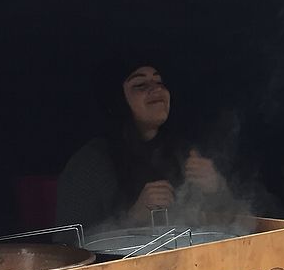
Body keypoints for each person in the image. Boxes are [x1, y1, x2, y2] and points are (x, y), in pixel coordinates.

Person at [55, 56, 229, 232]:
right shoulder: (91, 163)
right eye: (140, 85)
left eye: (159, 82)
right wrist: (133, 218)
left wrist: (217, 188)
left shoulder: (183, 152)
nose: (157, 89)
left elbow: (232, 223)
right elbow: (68, 243)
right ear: (117, 99)